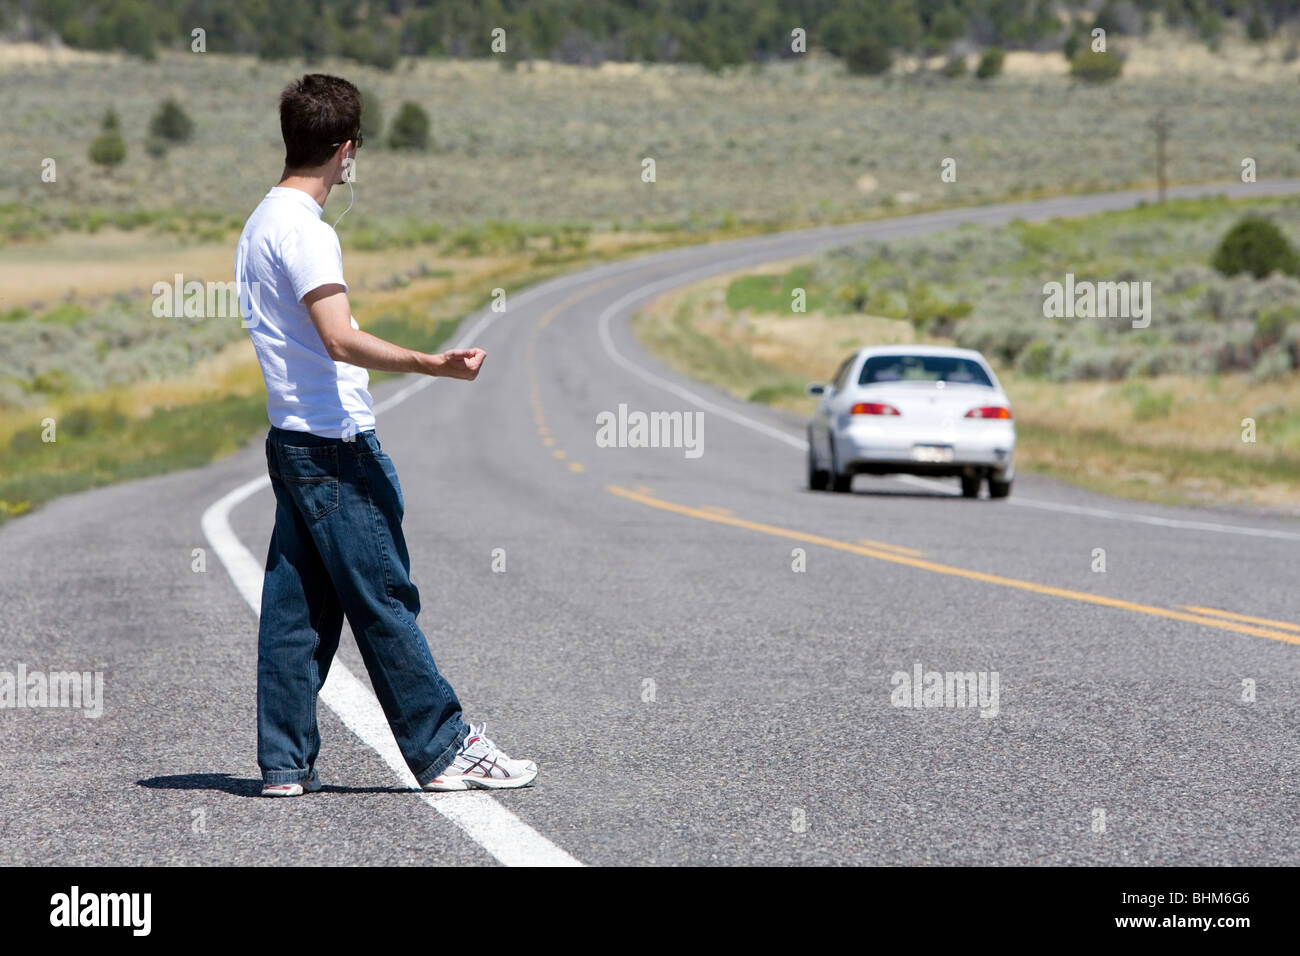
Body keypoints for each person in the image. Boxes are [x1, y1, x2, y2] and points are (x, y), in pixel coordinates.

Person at [234, 73, 536, 797]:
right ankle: (443, 747)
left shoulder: (258, 224)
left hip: (292, 440)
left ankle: (283, 762)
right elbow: (338, 339)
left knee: (295, 608)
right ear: (345, 150)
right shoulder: (307, 232)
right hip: (336, 449)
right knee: (383, 598)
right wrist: (431, 364)